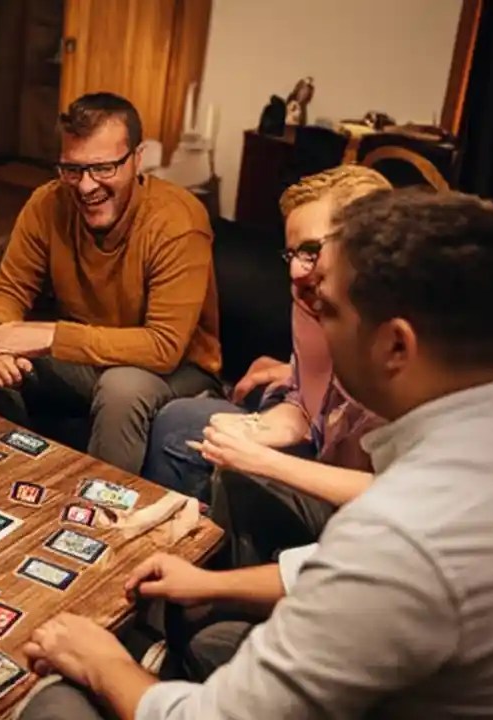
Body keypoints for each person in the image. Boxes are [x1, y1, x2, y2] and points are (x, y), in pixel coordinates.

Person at [19, 188, 493, 719]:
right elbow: (338, 573)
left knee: (51, 702)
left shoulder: (399, 534)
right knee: (214, 643)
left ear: (396, 347)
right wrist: (211, 583)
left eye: (332, 310)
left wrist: (103, 663)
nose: (316, 317)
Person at [0, 92, 221, 473]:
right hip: (89, 354)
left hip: (175, 367)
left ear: (137, 158)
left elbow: (163, 346)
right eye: (73, 169)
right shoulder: (47, 203)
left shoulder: (178, 222)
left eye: (104, 168)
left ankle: (101, 520)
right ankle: (15, 472)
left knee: (121, 388)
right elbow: (10, 291)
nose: (85, 186)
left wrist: (49, 337)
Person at [142, 166, 390, 563]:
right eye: (291, 254)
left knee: (239, 474)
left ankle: (215, 596)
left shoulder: (402, 345)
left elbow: (400, 494)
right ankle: (163, 566)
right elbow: (308, 404)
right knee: (182, 421)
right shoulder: (310, 302)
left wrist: (260, 458)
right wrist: (258, 430)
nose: (295, 271)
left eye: (311, 251)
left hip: (376, 518)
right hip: (323, 456)